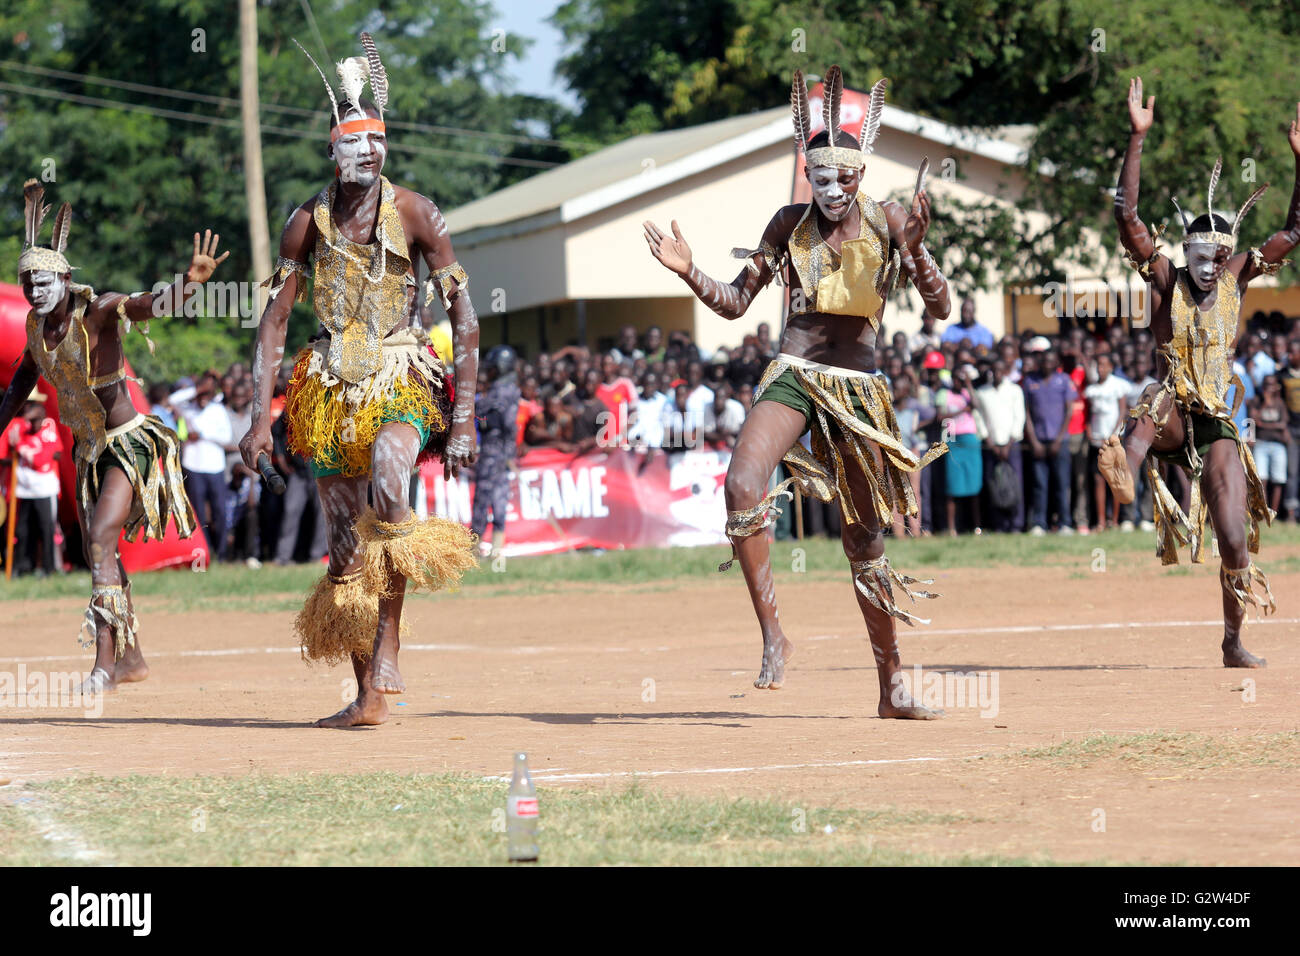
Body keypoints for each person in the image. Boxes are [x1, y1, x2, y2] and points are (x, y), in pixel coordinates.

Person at [643, 67, 951, 717]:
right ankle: (774, 636)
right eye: (819, 177)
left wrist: (918, 253)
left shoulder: (891, 219)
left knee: (865, 540)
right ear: (806, 175)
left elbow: (940, 306)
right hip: (794, 372)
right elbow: (733, 303)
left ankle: (891, 688)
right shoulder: (789, 224)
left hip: (859, 391)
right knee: (741, 485)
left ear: (861, 175)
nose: (831, 189)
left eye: (842, 177)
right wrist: (689, 271)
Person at [240, 34, 479, 726]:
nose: (366, 154)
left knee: (390, 481)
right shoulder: (304, 224)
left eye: (375, 143)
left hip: (401, 371)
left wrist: (462, 421)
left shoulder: (416, 213)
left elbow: (464, 314)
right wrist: (262, 415)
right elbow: (274, 323)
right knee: (345, 549)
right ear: (331, 154)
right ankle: (367, 693)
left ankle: (393, 644)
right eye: (352, 145)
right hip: (325, 389)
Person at [1099, 78, 1300, 667]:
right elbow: (1126, 216)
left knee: (1235, 538)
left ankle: (1233, 641)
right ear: (1184, 251)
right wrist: (1137, 140)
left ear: (1228, 252)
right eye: (1199, 254)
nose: (1210, 265)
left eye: (1218, 254)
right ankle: (1125, 469)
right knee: (1152, 399)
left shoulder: (1239, 275)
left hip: (1215, 420)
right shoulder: (1165, 278)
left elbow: (1293, 232)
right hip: (1168, 412)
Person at [0, 180, 217, 690]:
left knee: (99, 539)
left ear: (66, 278)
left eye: (43, 280)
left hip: (128, 443)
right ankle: (132, 657)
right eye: (26, 281)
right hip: (88, 451)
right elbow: (16, 391)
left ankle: (102, 665)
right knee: (103, 551)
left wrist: (189, 283)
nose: (34, 290)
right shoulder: (34, 329)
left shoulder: (97, 311)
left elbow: (148, 305)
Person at [472, 345, 520, 556]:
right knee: (500, 497)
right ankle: (496, 550)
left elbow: (506, 423)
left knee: (484, 498)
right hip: (502, 453)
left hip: (493, 451)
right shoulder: (511, 389)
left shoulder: (500, 391)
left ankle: (475, 548)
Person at [178, 371, 232, 558]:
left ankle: (222, 552)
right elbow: (173, 399)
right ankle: (204, 551)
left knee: (219, 510)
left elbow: (226, 437)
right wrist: (197, 389)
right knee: (198, 512)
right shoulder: (187, 409)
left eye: (206, 395)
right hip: (193, 466)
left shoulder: (218, 410)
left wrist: (202, 435)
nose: (202, 398)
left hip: (215, 466)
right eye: (200, 394)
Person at [1023, 348, 1075, 534]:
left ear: (1056, 363)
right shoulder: (1030, 381)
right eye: (1044, 360)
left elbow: (1069, 411)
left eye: (1050, 360)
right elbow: (1027, 413)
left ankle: (1065, 523)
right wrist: (1034, 441)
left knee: (1062, 484)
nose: (1046, 363)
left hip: (1059, 442)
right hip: (1038, 441)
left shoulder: (1064, 381)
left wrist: (1059, 439)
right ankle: (1039, 524)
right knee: (1039, 484)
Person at [973, 358, 1026, 533]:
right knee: (994, 484)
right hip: (991, 446)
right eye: (993, 370)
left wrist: (1009, 443)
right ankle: (999, 524)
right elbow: (979, 417)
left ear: (1004, 372)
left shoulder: (1014, 390)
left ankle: (1016, 523)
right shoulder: (983, 392)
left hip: (1012, 445)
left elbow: (1019, 417)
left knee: (1014, 484)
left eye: (999, 370)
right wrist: (989, 441)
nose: (996, 374)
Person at [1084, 352, 1130, 530]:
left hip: (1114, 440)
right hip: (1097, 440)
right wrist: (1089, 431)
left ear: (1111, 367)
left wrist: (1113, 434)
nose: (1100, 369)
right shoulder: (1092, 389)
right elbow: (1089, 414)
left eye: (1103, 365)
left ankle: (1115, 520)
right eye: (1098, 365)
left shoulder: (1118, 386)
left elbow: (1122, 411)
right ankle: (1101, 521)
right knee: (1099, 480)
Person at [1250, 375, 1289, 517]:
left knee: (1278, 480)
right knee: (1261, 479)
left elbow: (1283, 424)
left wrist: (1264, 424)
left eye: (1271, 385)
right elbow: (1253, 420)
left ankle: (1275, 512)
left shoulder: (1280, 403)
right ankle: (1264, 511)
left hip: (1278, 445)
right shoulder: (1257, 401)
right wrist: (1265, 403)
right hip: (1261, 443)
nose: (1268, 388)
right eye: (1266, 385)